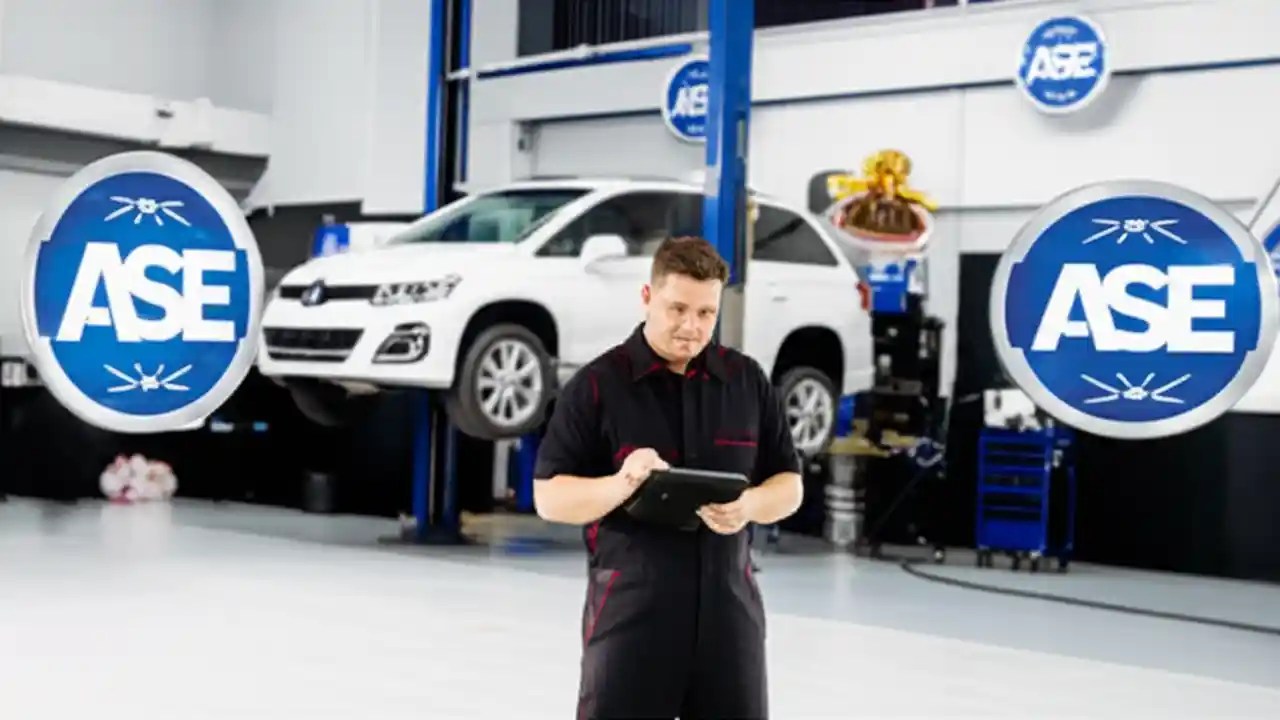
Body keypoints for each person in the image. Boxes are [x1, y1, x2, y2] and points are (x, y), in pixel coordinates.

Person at [533, 236, 804, 720]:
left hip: (730, 617)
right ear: (646, 298)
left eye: (706, 313)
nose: (691, 327)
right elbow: (550, 498)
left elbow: (789, 484)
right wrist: (622, 483)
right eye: (677, 308)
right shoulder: (598, 386)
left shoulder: (746, 382)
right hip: (632, 614)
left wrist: (748, 507)